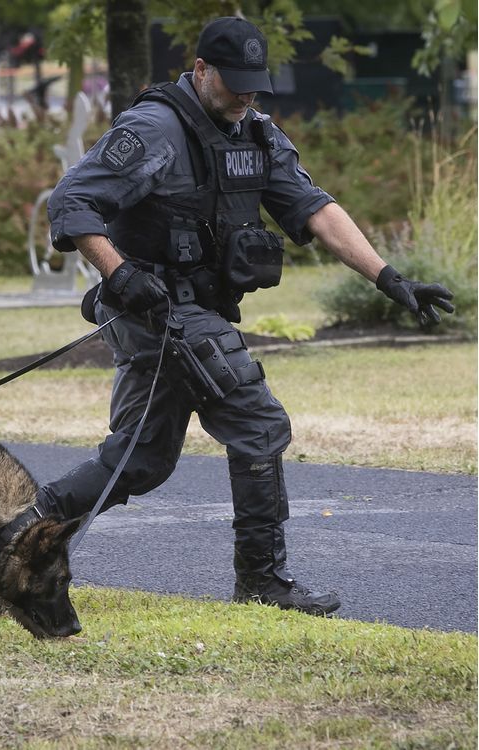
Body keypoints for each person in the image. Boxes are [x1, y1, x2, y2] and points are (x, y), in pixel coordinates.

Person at [36, 16, 455, 615]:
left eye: (256, 84)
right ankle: (261, 581)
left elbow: (316, 210)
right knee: (258, 423)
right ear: (201, 69)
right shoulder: (155, 128)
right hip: (154, 309)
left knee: (141, 458)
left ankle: (14, 534)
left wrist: (390, 278)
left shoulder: (254, 132)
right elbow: (71, 200)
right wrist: (120, 272)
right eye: (235, 83)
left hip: (195, 310)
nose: (247, 95)